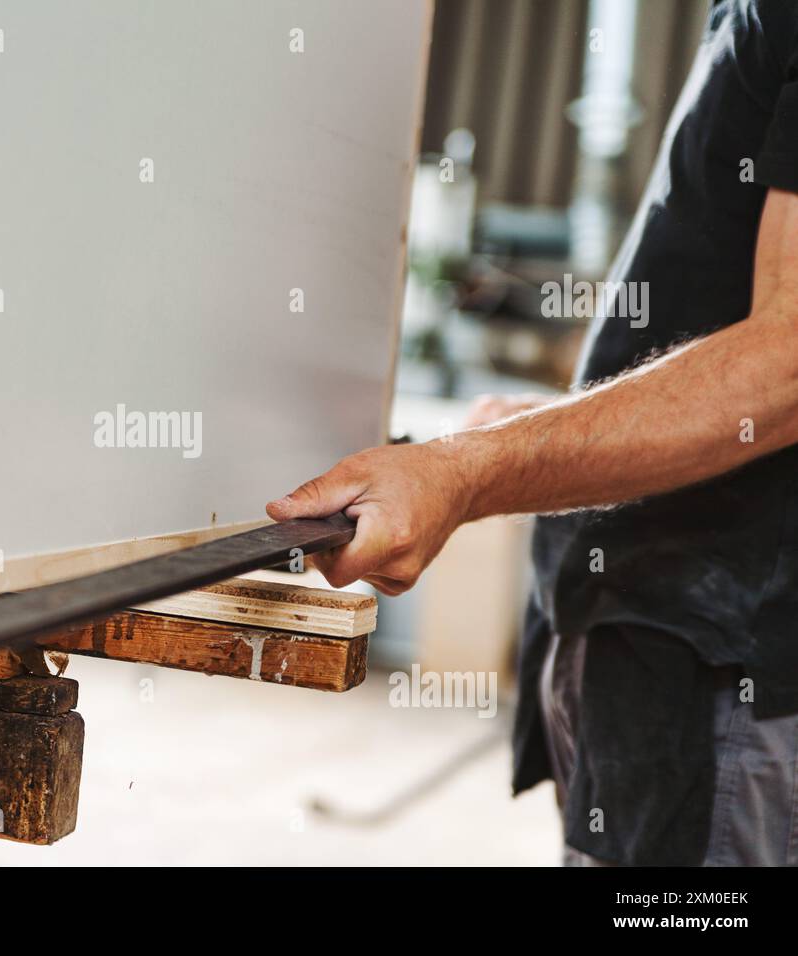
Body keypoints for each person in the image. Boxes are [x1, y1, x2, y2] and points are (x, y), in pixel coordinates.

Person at [266, 1, 798, 865]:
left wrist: (470, 471)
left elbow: (788, 361)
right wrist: (547, 426)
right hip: (653, 639)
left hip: (722, 670)